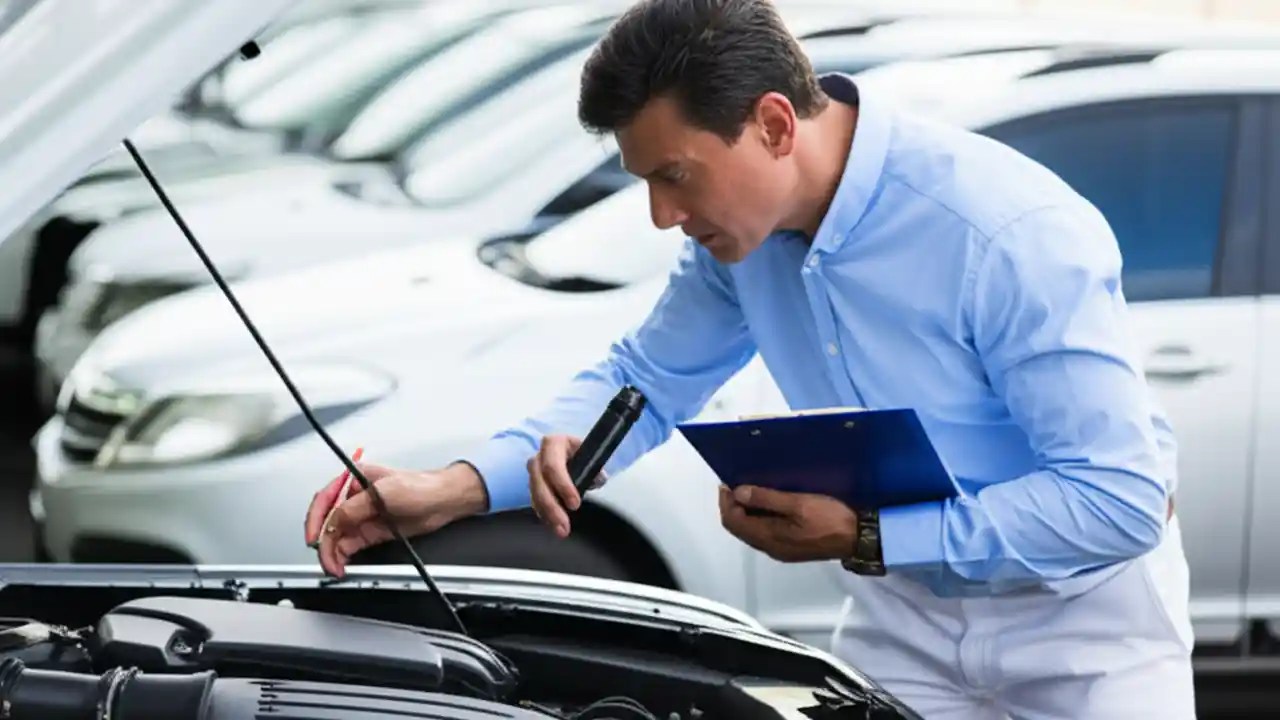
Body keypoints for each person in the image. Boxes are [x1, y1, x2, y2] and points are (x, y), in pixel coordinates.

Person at [303, 1, 1195, 716]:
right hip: (904, 624)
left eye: (674, 176)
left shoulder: (1008, 233)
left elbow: (1116, 499)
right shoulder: (738, 243)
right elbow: (644, 387)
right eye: (644, 180)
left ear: (773, 124)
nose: (659, 214)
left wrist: (866, 535)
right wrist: (447, 490)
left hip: (1086, 635)